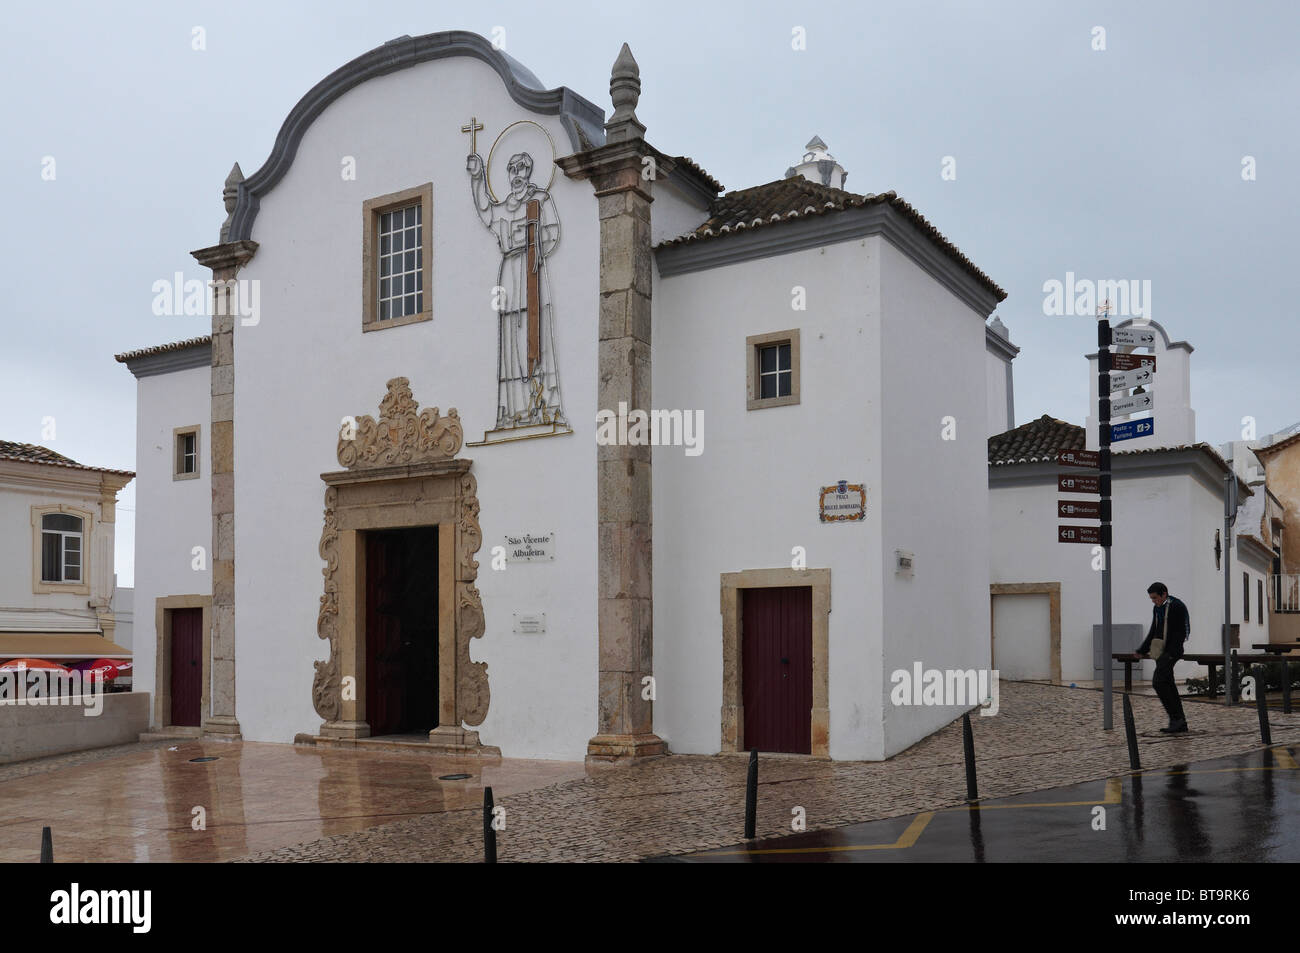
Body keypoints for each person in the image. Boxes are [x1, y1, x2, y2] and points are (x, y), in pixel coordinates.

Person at [1136, 582, 1190, 733]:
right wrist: (1142, 649)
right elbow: (1154, 629)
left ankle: (1177, 719)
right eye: (1152, 598)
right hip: (1162, 652)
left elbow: (1180, 632)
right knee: (1168, 684)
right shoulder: (1158, 608)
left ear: (1164, 594)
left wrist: (1171, 652)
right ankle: (1178, 721)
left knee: (1158, 682)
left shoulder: (1176, 606)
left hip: (1171, 652)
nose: (1154, 601)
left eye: (1155, 598)